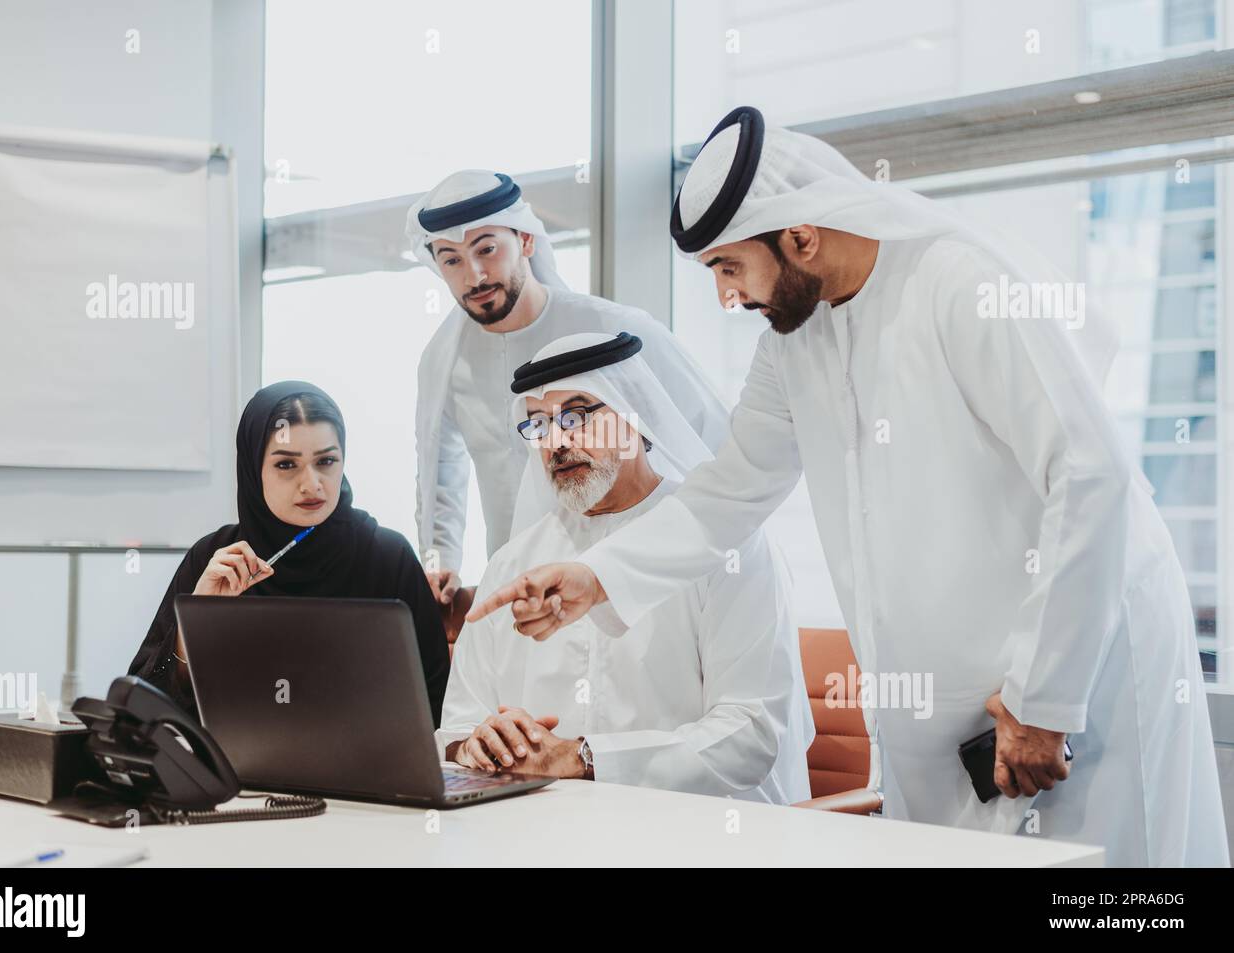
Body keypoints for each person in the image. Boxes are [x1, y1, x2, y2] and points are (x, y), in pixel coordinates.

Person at [469, 108, 1228, 866]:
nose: (727, 298)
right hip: (953, 722)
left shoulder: (959, 284)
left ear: (800, 235)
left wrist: (1047, 695)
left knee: (1113, 903)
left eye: (729, 268)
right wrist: (596, 577)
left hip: (1077, 682)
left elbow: (1091, 471)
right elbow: (730, 489)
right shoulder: (796, 342)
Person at [440, 332, 810, 802]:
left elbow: (750, 732)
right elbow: (456, 725)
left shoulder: (725, 545)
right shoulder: (511, 564)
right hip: (535, 832)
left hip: (693, 833)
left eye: (576, 417)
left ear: (633, 412)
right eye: (538, 426)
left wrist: (583, 758)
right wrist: (479, 744)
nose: (556, 442)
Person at [406, 169, 729, 610]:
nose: (475, 276)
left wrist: (708, 550)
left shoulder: (615, 331)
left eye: (487, 249)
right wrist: (438, 557)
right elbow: (440, 468)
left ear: (526, 241)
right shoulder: (443, 360)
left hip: (627, 580)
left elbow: (709, 436)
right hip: (518, 589)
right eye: (452, 260)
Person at [129, 381, 450, 727]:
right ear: (254, 471)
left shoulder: (387, 557)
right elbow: (142, 712)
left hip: (371, 777)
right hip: (232, 777)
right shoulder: (217, 560)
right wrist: (193, 626)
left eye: (326, 461)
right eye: (286, 465)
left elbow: (440, 703)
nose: (312, 483)